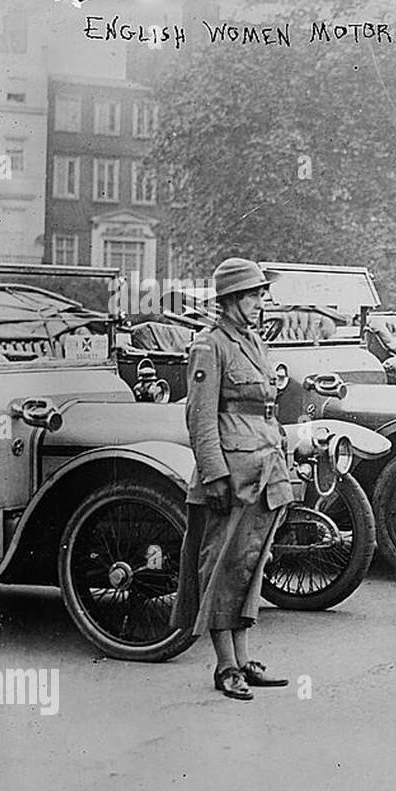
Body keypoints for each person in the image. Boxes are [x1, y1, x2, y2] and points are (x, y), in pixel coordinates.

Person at [173, 257, 294, 702]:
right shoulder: (210, 346)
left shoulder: (255, 344)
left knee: (250, 567)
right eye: (253, 294)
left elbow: (267, 410)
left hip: (264, 467)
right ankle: (225, 666)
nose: (261, 302)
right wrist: (214, 475)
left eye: (262, 294)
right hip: (232, 472)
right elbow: (200, 417)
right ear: (230, 300)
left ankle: (243, 659)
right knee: (223, 567)